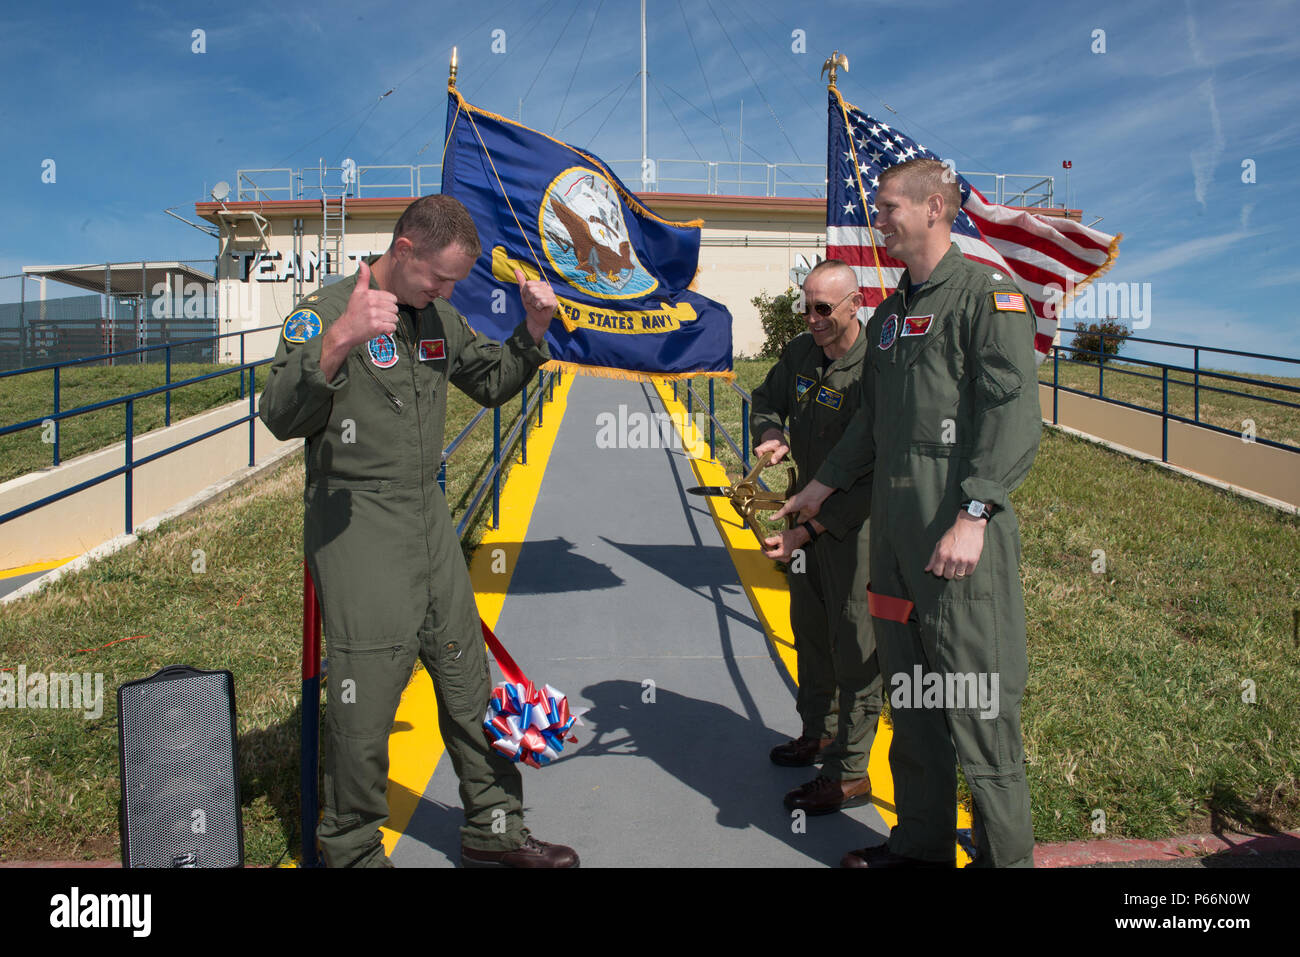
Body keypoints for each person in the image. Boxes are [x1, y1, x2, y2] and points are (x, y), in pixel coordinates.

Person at [259, 194, 577, 868]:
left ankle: (494, 826)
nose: (446, 290)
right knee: (366, 696)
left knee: (470, 684)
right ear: (404, 250)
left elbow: (490, 382)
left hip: (428, 521)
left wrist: (533, 330)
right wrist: (340, 338)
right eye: (439, 276)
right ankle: (350, 849)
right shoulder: (324, 310)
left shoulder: (437, 318)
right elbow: (279, 414)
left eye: (454, 282)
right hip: (358, 525)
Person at [775, 158, 1042, 868]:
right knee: (915, 706)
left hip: (956, 544)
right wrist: (821, 486)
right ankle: (922, 847)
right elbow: (871, 424)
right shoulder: (890, 317)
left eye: (890, 206)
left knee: (980, 717)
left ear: (933, 209)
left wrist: (975, 511)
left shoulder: (987, 298)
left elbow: (1013, 417)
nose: (879, 217)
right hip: (892, 548)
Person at [749, 259, 881, 816]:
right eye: (806, 306)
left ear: (855, 304)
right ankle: (819, 733)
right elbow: (764, 398)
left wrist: (808, 530)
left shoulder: (879, 367)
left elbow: (878, 466)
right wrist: (773, 432)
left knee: (855, 646)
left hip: (857, 528)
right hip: (803, 517)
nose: (812, 318)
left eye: (823, 308)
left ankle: (850, 773)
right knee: (809, 628)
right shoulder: (802, 354)